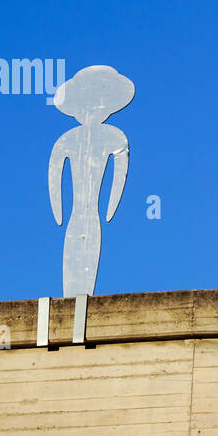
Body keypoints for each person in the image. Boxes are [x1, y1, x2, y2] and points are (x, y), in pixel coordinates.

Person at [48, 66, 134, 297]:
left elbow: (54, 182)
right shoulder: (112, 136)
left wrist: (59, 212)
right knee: (83, 234)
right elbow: (55, 180)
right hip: (88, 216)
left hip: (85, 216)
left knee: (82, 234)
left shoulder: (106, 137)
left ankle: (78, 296)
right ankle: (75, 296)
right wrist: (109, 209)